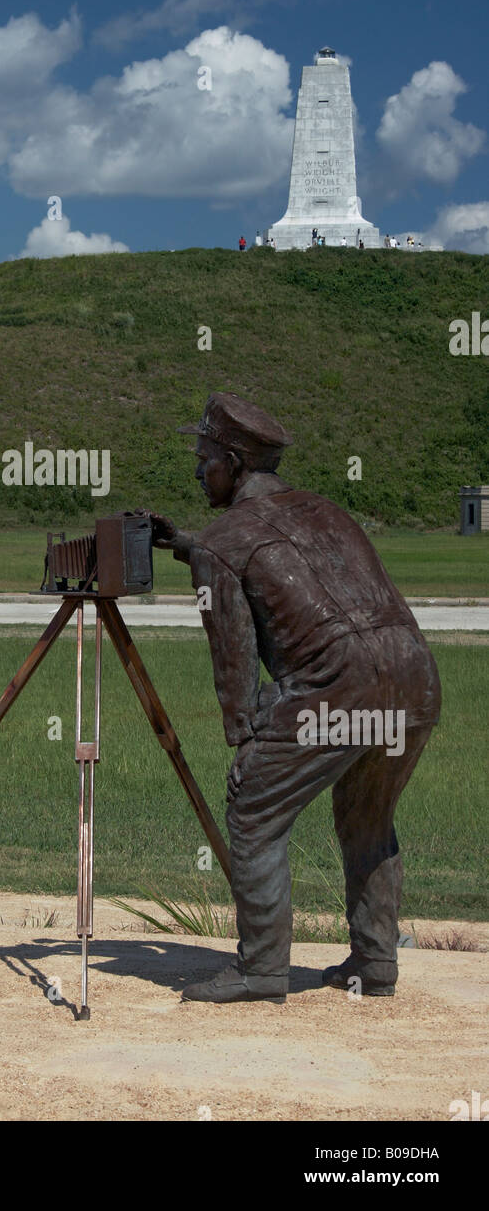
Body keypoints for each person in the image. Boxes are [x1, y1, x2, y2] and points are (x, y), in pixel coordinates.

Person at [146, 393, 441, 1005]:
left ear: (232, 459)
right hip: (415, 680)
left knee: (254, 812)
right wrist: (191, 545)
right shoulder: (327, 511)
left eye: (203, 459)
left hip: (338, 690)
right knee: (368, 820)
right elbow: (285, 557)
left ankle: (260, 971)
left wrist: (244, 732)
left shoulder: (224, 542)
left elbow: (232, 656)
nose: (197, 472)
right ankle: (375, 963)